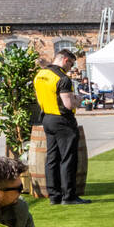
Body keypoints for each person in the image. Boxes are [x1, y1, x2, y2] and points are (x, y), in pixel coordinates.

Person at [34, 50, 89, 205]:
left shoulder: (40, 75)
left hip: (47, 118)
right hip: (63, 120)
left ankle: (54, 195)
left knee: (52, 158)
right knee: (68, 158)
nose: (70, 68)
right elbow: (69, 104)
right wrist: (78, 101)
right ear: (65, 60)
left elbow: (39, 99)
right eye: (71, 64)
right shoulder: (63, 78)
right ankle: (69, 196)